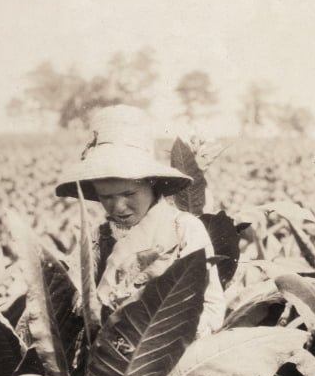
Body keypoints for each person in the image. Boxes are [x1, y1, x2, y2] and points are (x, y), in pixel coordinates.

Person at [55, 105, 225, 336]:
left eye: (128, 194)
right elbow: (72, 298)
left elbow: (211, 307)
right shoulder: (97, 238)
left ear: (151, 183)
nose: (118, 207)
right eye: (106, 197)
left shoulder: (184, 229)